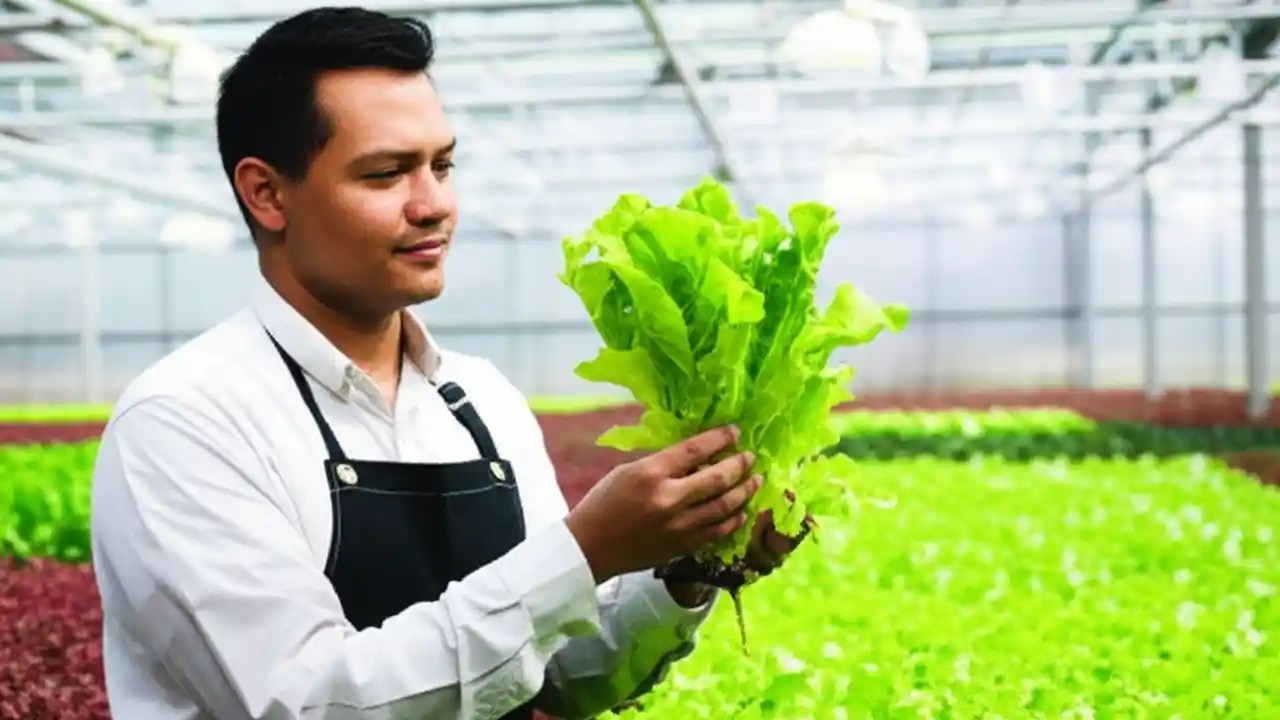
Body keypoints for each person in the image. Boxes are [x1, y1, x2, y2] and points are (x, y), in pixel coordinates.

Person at [89, 6, 805, 720]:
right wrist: (582, 553)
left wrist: (680, 570)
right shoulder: (189, 420)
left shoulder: (479, 400)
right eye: (385, 174)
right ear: (267, 193)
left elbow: (566, 677)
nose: (433, 204)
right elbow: (310, 702)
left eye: (442, 164)